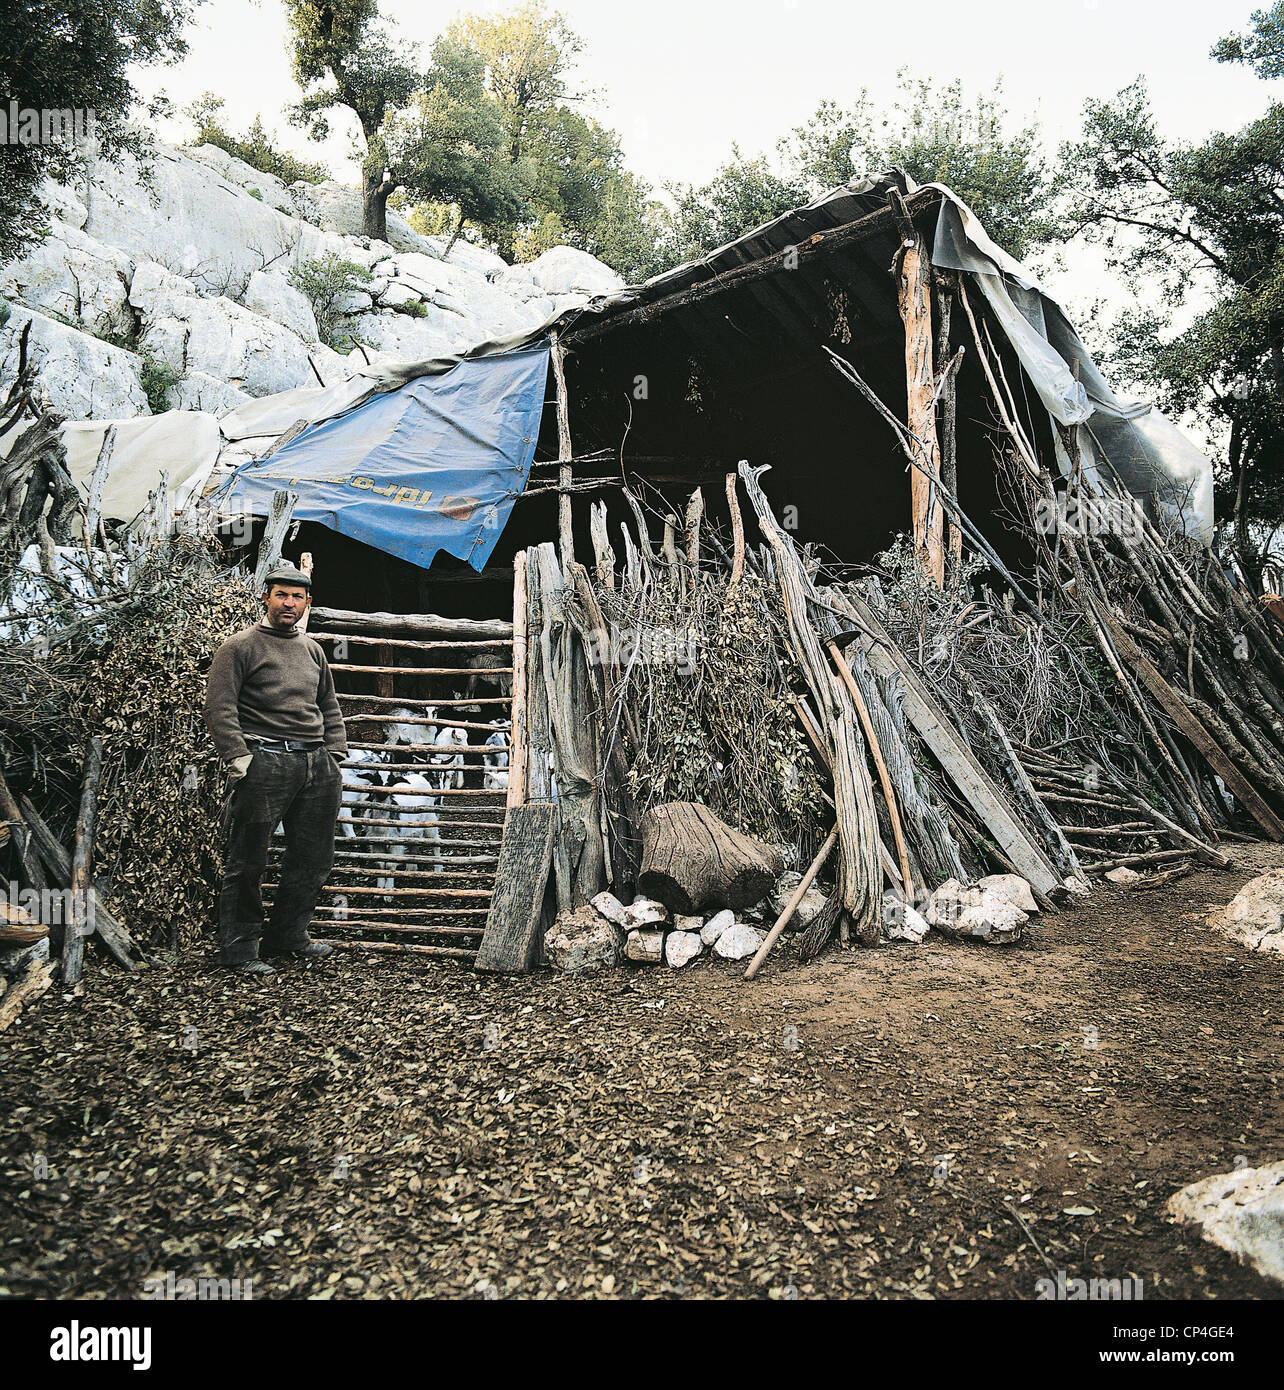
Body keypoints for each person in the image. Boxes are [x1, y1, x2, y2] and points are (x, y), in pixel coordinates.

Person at [204, 563, 347, 975]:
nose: (289, 603)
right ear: (265, 598)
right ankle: (239, 948)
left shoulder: (312, 650)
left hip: (315, 764)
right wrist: (239, 756)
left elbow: (328, 705)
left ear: (308, 603)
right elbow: (219, 706)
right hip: (265, 761)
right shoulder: (240, 647)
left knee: (313, 857)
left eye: (297, 597)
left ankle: (288, 935)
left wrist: (333, 753)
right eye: (281, 595)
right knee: (249, 859)